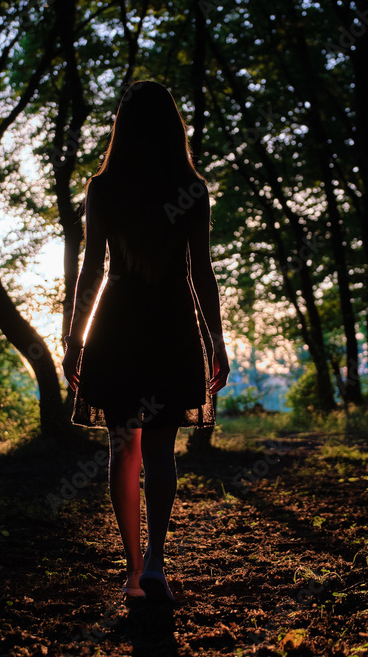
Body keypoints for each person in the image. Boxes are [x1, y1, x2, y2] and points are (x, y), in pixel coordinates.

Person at [61, 80, 229, 603]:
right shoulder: (192, 189)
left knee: (123, 446)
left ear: (122, 127)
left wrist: (74, 337)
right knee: (160, 449)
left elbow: (91, 269)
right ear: (173, 127)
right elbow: (201, 271)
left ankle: (134, 571)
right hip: (171, 321)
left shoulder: (104, 187)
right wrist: (215, 341)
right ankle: (156, 561)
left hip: (119, 322)